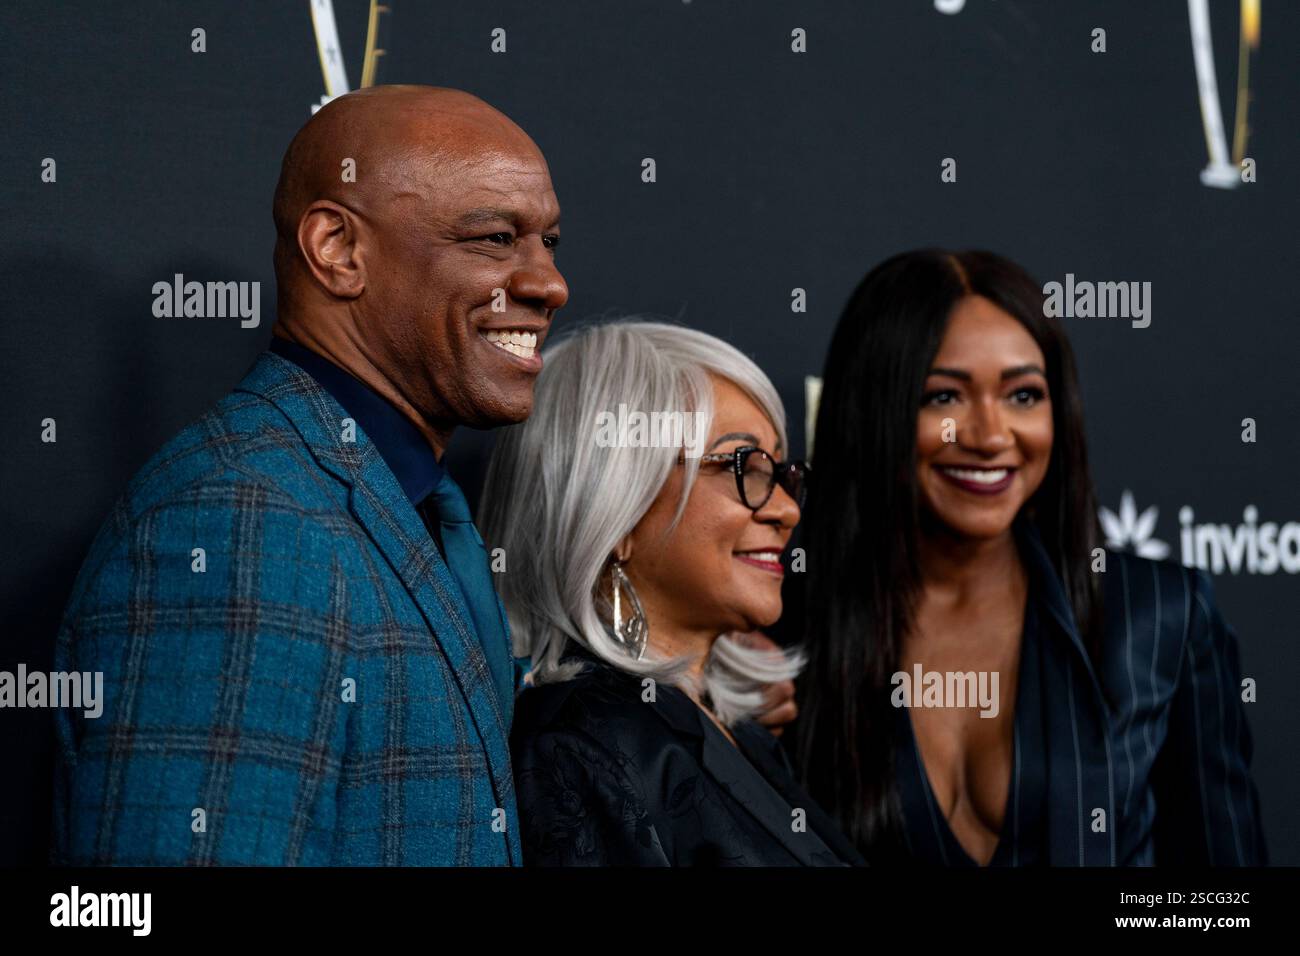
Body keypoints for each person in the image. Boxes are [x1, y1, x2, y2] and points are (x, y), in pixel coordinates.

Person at [51, 85, 568, 865]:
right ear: (337, 250)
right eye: (496, 237)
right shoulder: (238, 524)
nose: (547, 283)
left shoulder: (418, 501)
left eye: (549, 242)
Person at [787, 249, 1266, 865]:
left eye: (1022, 395)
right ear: (874, 409)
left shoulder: (1159, 616)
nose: (990, 437)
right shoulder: (784, 628)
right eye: (943, 397)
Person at [480, 320, 862, 866]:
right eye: (744, 467)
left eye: (781, 472)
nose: (787, 509)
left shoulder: (726, 724)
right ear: (617, 511)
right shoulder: (582, 750)